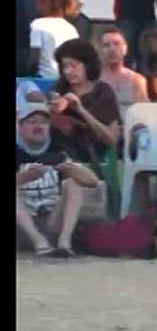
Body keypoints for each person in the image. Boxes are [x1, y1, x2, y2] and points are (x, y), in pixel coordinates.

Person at [17, 102, 102, 257]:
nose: (39, 126)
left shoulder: (58, 147)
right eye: (32, 122)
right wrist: (24, 177)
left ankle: (64, 242)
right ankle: (38, 241)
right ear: (20, 125)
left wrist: (74, 170)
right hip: (21, 222)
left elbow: (93, 181)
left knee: (72, 184)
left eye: (43, 122)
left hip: (52, 220)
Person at [49, 38, 122, 164]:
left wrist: (81, 110)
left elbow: (111, 139)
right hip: (62, 156)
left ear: (88, 65)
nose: (68, 71)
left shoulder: (103, 92)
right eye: (65, 66)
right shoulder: (60, 88)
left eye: (73, 65)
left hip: (94, 156)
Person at [29, 0, 81, 80]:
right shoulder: (70, 28)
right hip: (64, 81)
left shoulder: (37, 24)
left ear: (45, 1)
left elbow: (34, 59)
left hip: (42, 79)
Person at [97, 27, 150, 111]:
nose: (112, 49)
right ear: (100, 50)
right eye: (106, 45)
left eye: (117, 44)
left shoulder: (136, 80)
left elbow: (143, 114)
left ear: (125, 48)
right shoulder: (93, 79)